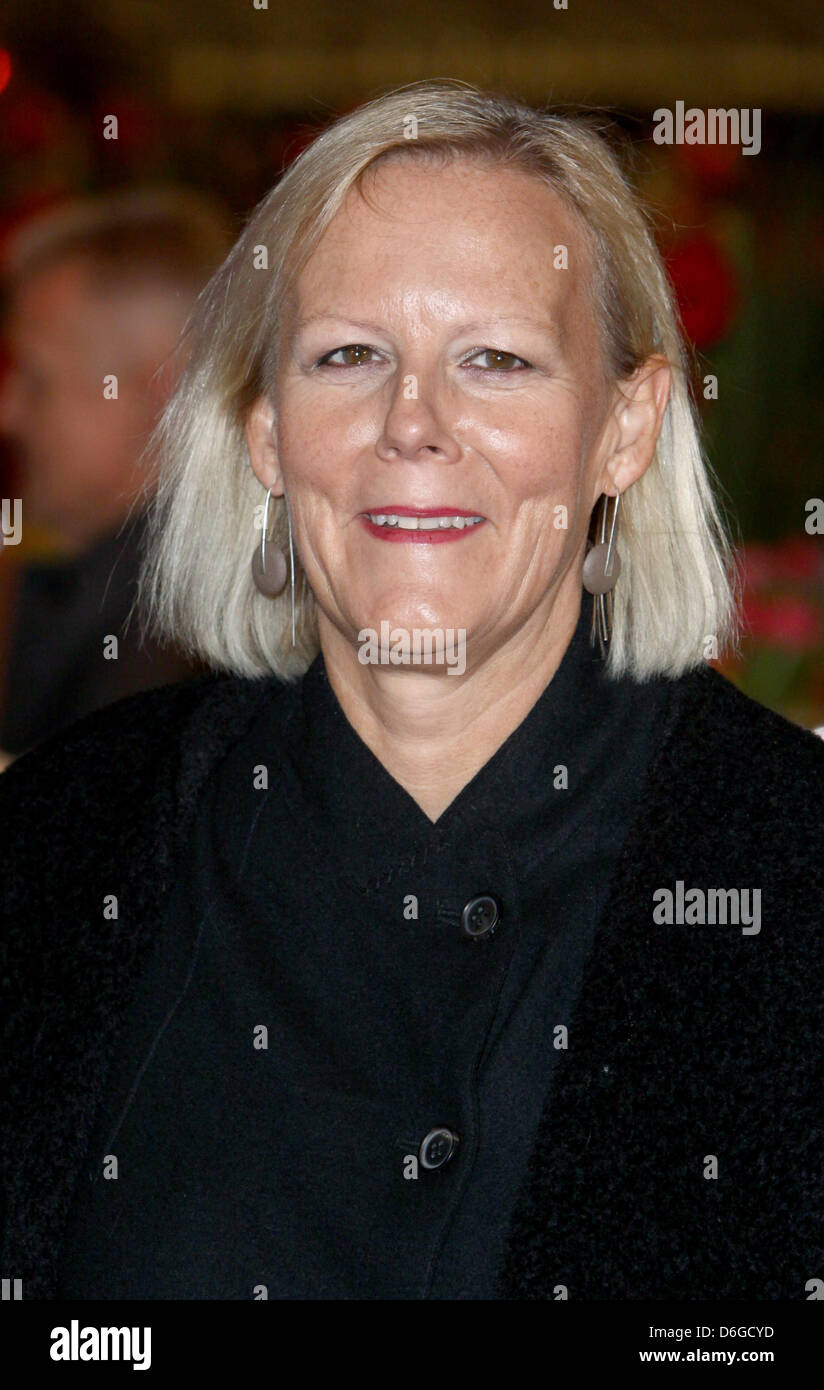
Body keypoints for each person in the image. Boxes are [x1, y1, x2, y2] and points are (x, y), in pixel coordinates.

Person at [1, 79, 822, 1302]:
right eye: (348, 355)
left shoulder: (790, 864)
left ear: (626, 425)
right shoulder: (58, 848)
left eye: (494, 359)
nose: (411, 423)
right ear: (266, 428)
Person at [0, 189, 231, 766]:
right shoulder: (113, 583)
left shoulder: (182, 642)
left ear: (165, 393)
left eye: (38, 380)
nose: (9, 413)